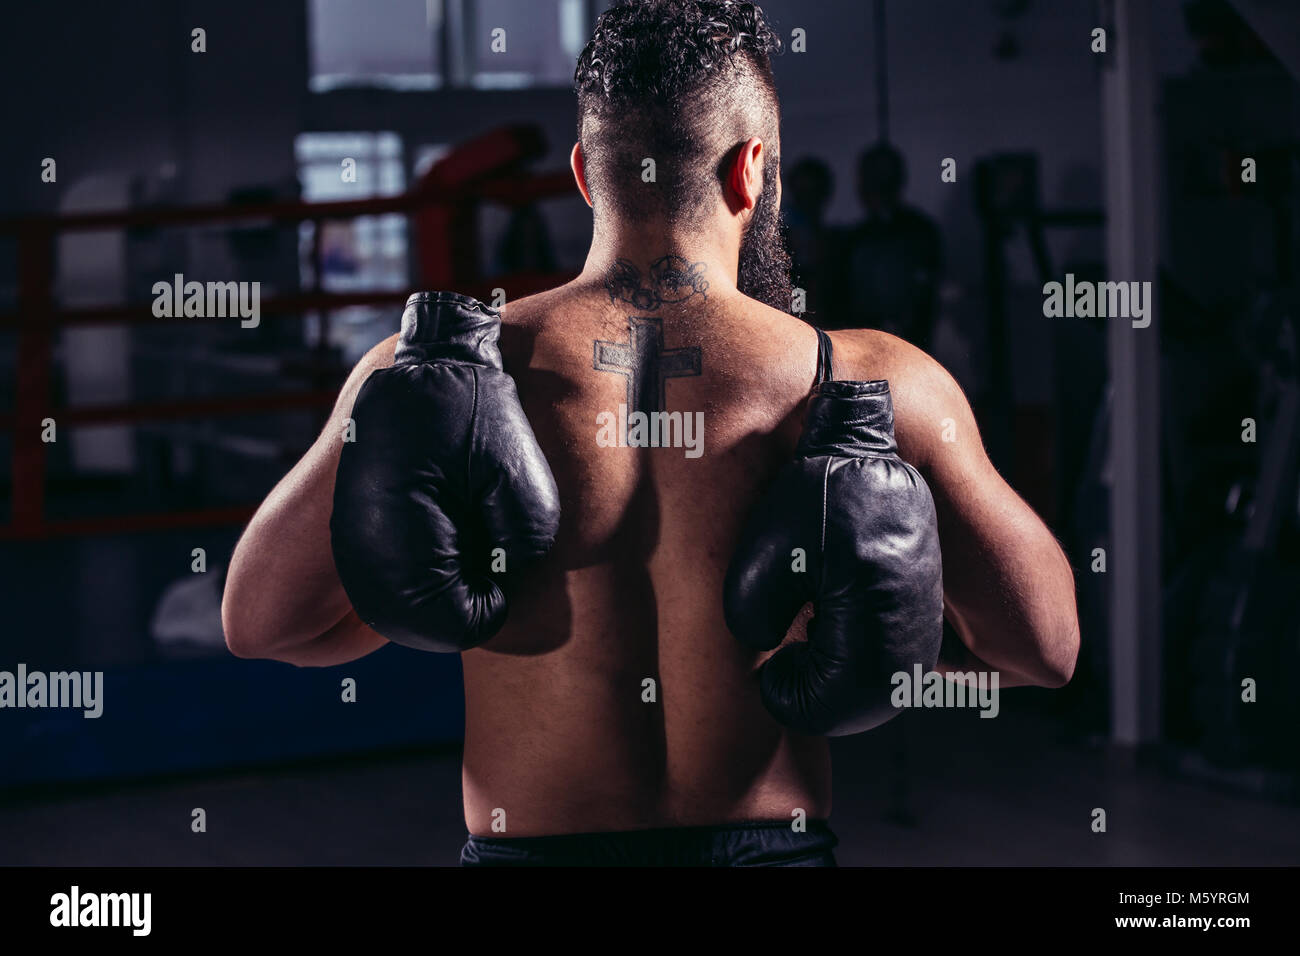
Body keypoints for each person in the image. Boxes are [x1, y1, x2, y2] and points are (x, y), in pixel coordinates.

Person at [222, 0, 1078, 867]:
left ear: (584, 175)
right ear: (752, 172)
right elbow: (1046, 650)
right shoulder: (873, 381)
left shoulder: (432, 374)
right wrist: (879, 666)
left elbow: (262, 625)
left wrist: (432, 596)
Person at [838, 142, 943, 350]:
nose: (874, 187)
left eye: (881, 178)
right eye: (870, 178)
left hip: (910, 346)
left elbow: (927, 291)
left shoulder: (920, 231)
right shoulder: (854, 238)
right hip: (864, 345)